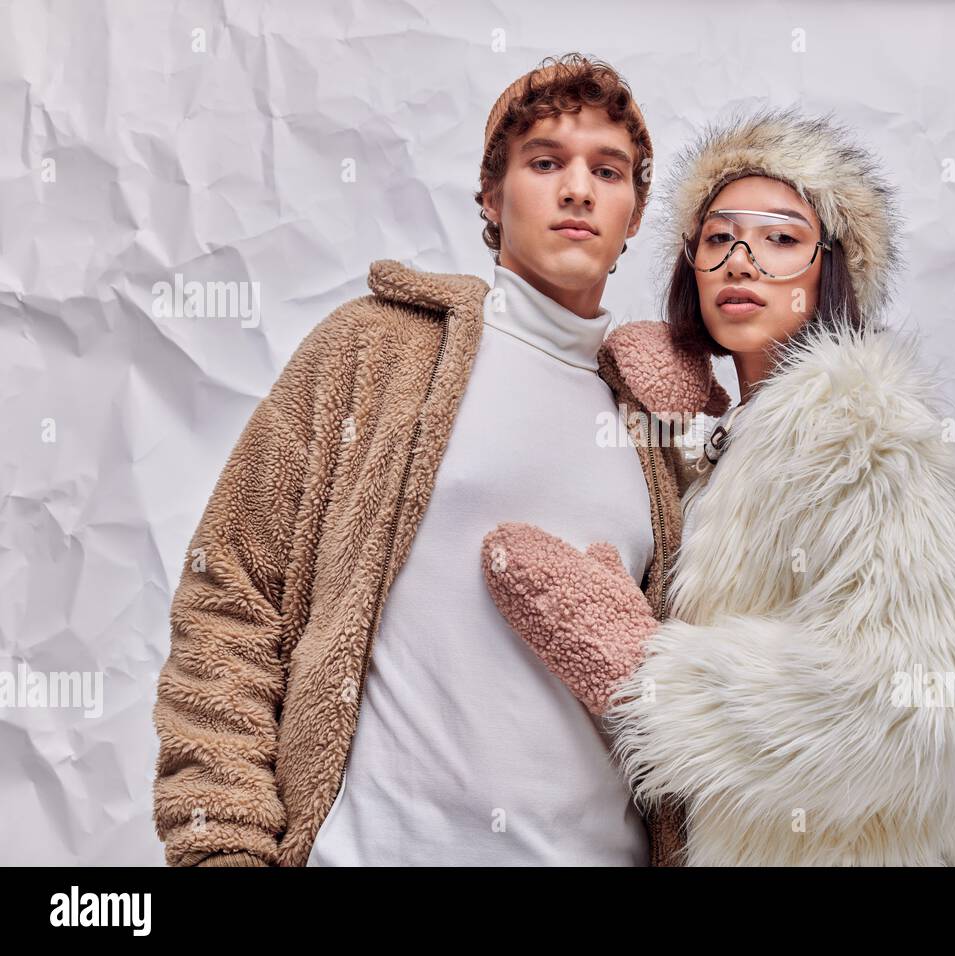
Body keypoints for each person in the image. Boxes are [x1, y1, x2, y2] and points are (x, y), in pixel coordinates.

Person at [151, 52, 725, 867]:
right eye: (545, 162)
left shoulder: (656, 432)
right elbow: (232, 596)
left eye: (609, 170)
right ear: (491, 196)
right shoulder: (375, 354)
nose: (577, 189)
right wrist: (225, 847)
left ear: (634, 216)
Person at [481, 106, 955, 865]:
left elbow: (929, 712)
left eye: (780, 240)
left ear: (828, 270)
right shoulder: (732, 440)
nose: (742, 261)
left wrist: (643, 675)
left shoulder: (863, 427)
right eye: (719, 239)